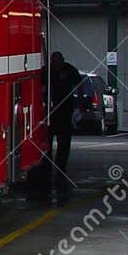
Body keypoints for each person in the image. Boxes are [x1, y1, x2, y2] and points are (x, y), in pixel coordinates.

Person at [47, 51, 81, 196]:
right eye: (53, 61)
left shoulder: (70, 70)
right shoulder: (47, 72)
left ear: (62, 60)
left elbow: (79, 87)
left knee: (64, 142)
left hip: (65, 111)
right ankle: (47, 166)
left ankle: (61, 167)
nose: (55, 64)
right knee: (47, 141)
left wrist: (79, 107)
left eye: (57, 61)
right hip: (50, 111)